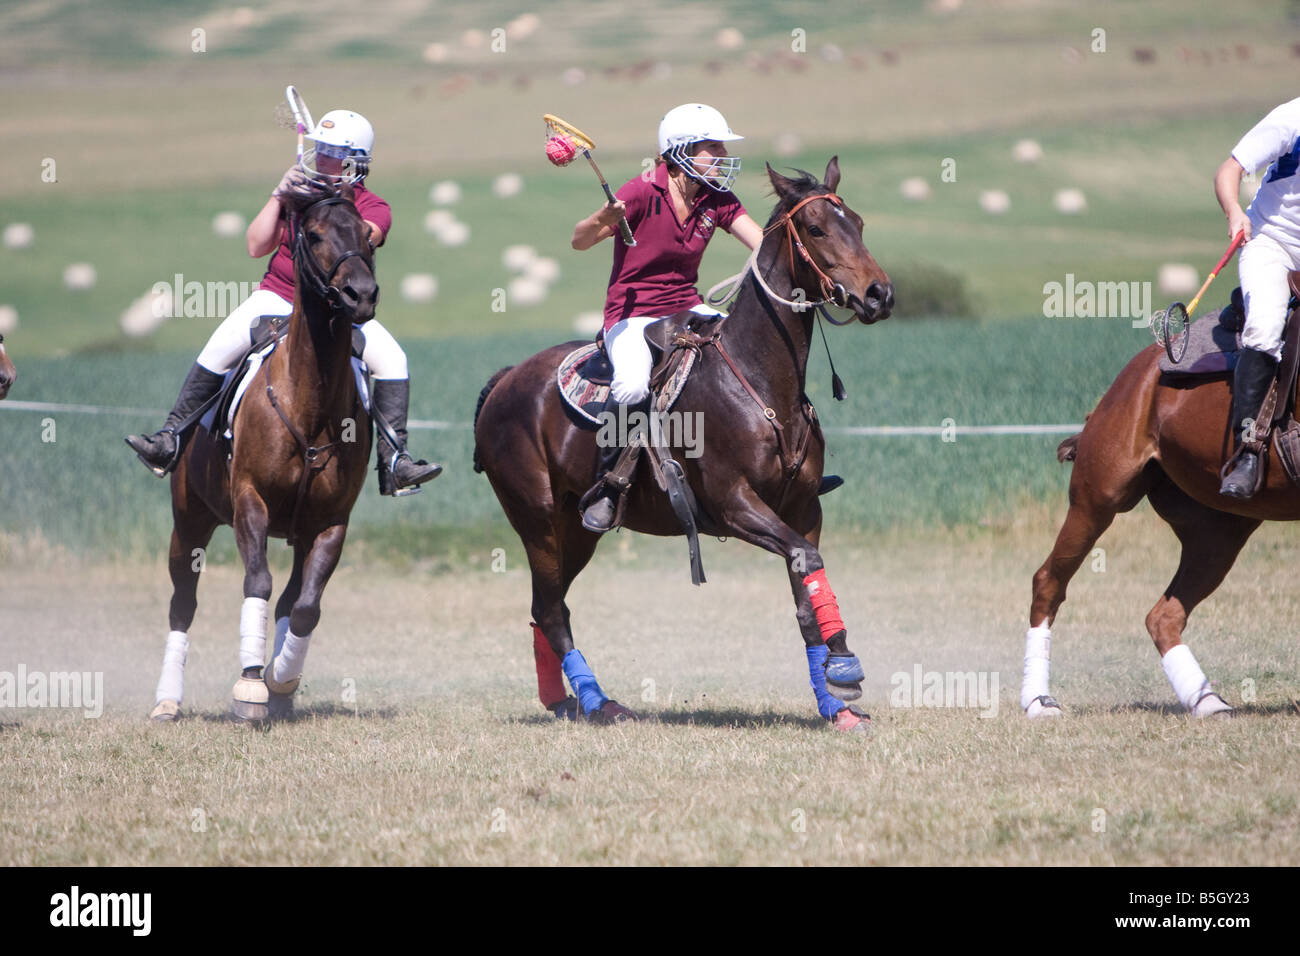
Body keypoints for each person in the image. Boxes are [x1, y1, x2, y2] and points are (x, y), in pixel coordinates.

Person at [126, 108, 441, 495]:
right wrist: (280, 195)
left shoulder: (374, 208)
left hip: (337, 316)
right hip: (276, 299)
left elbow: (363, 237)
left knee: (394, 359)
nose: (319, 157)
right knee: (219, 347)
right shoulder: (295, 195)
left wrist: (331, 203)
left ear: (352, 163)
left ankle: (395, 463)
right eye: (319, 148)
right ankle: (170, 439)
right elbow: (256, 245)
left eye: (329, 152)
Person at [570, 103, 764, 532]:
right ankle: (610, 486)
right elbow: (579, 242)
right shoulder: (639, 192)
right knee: (632, 383)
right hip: (631, 315)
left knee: (747, 353)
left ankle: (769, 466)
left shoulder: (717, 199)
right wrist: (603, 218)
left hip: (688, 306)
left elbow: (761, 245)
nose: (723, 155)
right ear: (681, 152)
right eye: (713, 147)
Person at [1215, 96, 1300, 498]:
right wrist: (1234, 212)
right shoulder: (1291, 118)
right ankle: (1248, 454)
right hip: (1273, 244)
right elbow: (1230, 170)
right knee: (1266, 326)